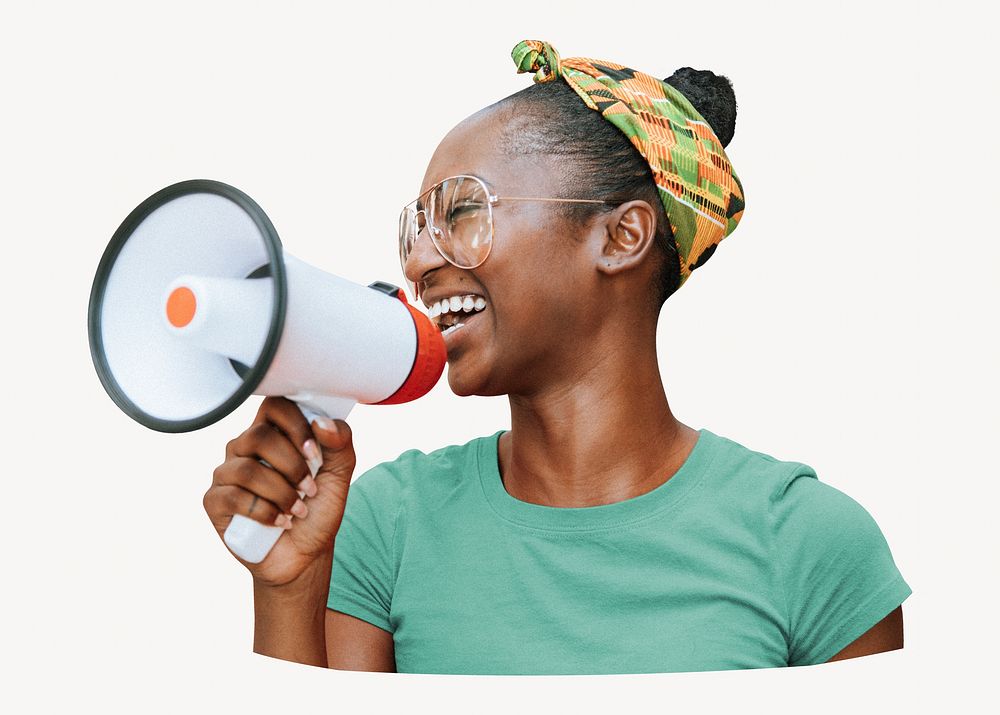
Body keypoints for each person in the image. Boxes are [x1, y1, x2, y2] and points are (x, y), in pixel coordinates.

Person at [203, 40, 911, 674]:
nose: (417, 263)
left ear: (621, 237)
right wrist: (288, 587)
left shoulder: (811, 542)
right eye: (414, 230)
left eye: (462, 212)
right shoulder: (387, 522)